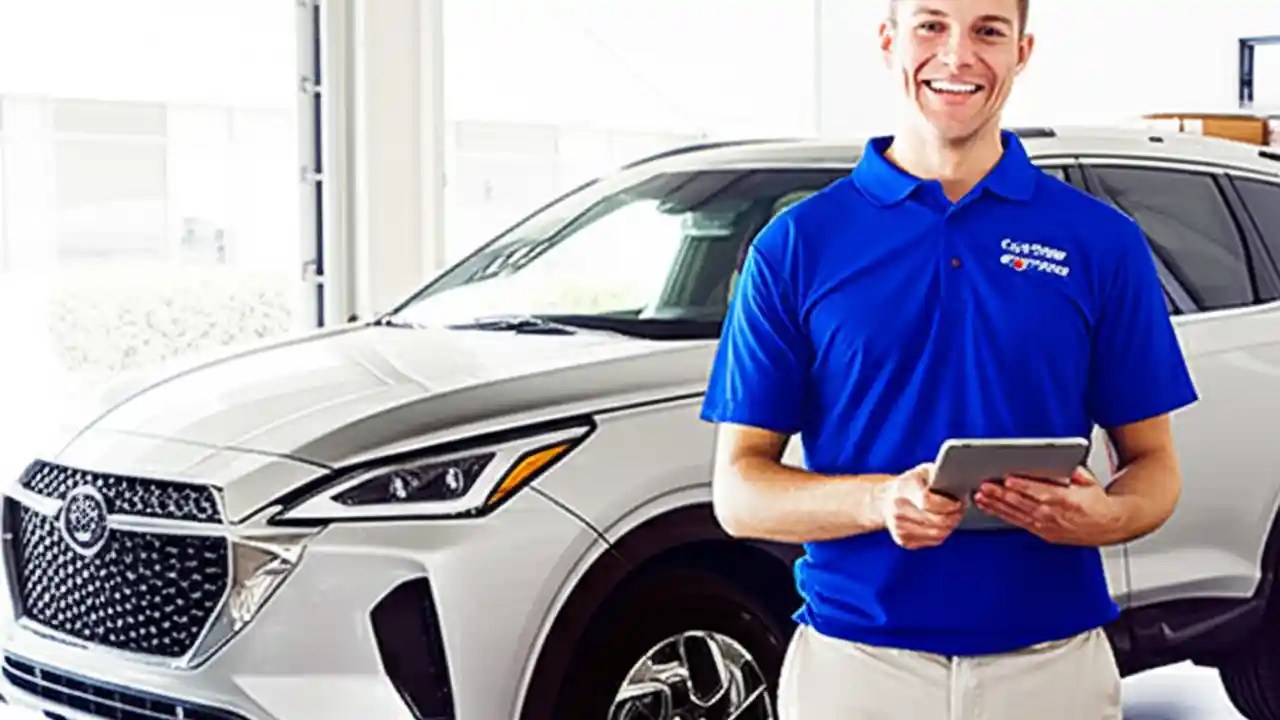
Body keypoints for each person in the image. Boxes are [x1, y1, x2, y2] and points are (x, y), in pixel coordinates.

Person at [699, 0, 1199, 717]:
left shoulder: (1101, 242)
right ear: (888, 41)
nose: (958, 55)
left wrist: (1104, 517)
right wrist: (879, 502)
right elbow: (740, 494)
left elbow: (1156, 469)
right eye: (931, 25)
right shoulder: (797, 245)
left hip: (1052, 666)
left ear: (1022, 50)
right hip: (857, 668)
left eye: (988, 30)